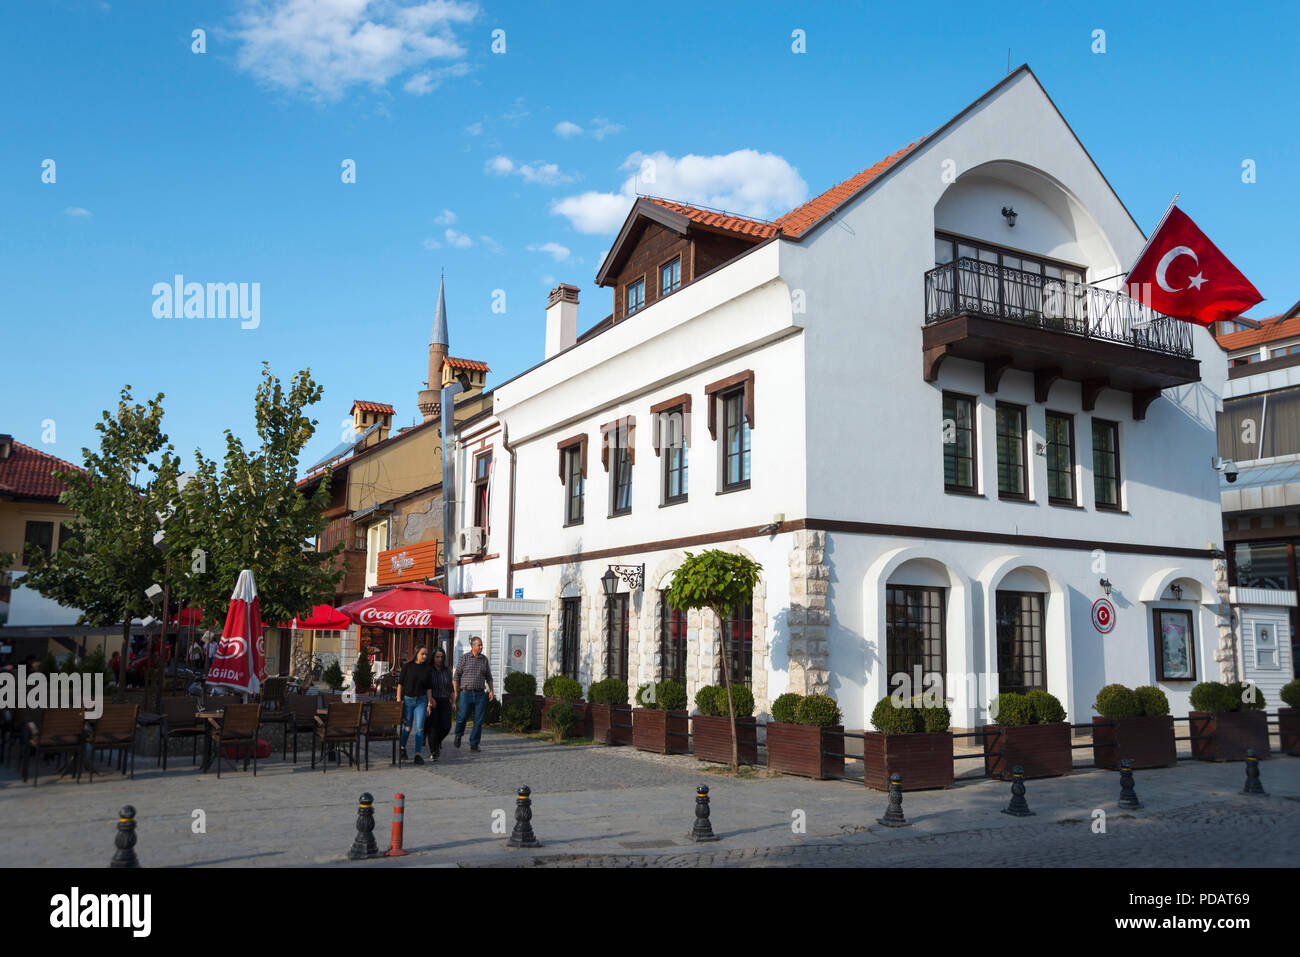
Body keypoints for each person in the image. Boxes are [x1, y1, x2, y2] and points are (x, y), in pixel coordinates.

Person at [452, 637, 495, 752]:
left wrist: (491, 690)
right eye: (479, 645)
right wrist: (456, 692)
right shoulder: (464, 658)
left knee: (479, 720)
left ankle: (474, 744)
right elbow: (456, 677)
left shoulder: (484, 660)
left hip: (480, 694)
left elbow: (489, 677)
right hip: (466, 693)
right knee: (462, 717)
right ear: (473, 646)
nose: (481, 647)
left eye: (481, 645)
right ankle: (458, 735)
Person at [396, 646, 434, 765]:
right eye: (422, 654)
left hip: (421, 701)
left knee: (419, 728)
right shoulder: (407, 666)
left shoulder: (427, 669)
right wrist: (398, 699)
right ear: (416, 653)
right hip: (408, 700)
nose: (425, 656)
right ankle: (402, 748)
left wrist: (429, 703)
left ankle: (418, 755)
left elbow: (429, 688)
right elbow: (400, 684)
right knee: (407, 728)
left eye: (426, 654)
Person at [424, 647, 454, 760]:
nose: (439, 659)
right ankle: (434, 751)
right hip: (433, 700)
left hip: (445, 699)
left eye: (441, 657)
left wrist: (453, 701)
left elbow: (450, 687)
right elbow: (426, 687)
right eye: (437, 657)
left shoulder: (447, 670)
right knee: (433, 727)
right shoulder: (429, 670)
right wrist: (430, 700)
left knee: (446, 726)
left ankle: (436, 742)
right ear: (433, 657)